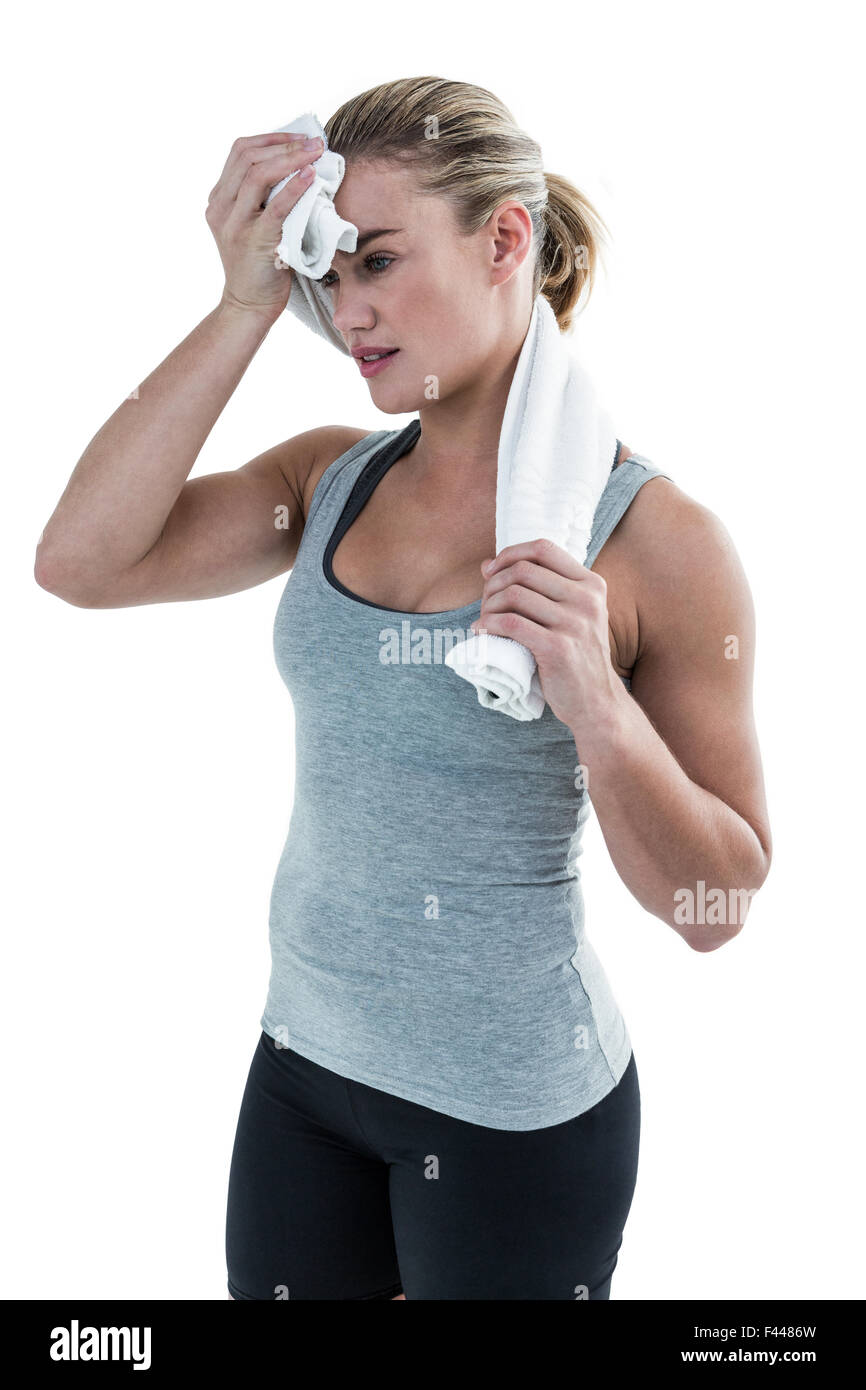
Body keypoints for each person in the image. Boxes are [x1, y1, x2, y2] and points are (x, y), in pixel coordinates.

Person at [35, 76, 772, 1301]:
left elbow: (717, 901)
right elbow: (80, 563)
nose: (347, 311)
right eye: (326, 275)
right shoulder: (328, 479)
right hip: (304, 1070)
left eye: (376, 261)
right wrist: (238, 304)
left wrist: (597, 704)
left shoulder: (652, 541)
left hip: (511, 1114)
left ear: (503, 240)